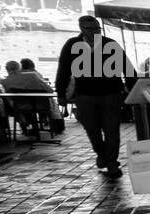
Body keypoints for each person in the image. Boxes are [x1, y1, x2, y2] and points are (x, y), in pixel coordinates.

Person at [56, 14, 135, 177]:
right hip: (85, 95)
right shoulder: (72, 45)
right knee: (92, 130)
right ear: (81, 29)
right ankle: (102, 154)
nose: (94, 32)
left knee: (112, 130)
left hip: (111, 94)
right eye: (90, 29)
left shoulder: (110, 44)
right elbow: (63, 70)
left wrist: (133, 90)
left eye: (97, 29)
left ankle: (112, 162)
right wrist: (60, 93)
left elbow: (127, 68)